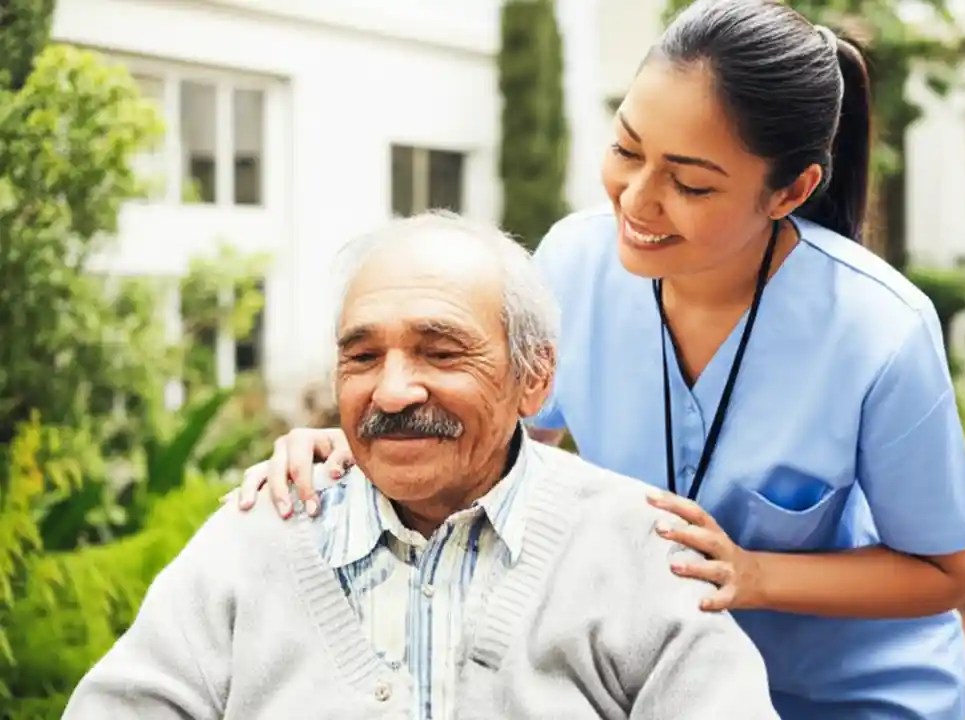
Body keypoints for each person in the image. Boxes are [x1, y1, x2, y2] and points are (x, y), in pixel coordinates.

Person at [237, 0, 965, 717]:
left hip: (844, 700)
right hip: (653, 686)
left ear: (789, 190)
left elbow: (943, 573)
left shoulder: (880, 328)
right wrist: (362, 447)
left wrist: (756, 574)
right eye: (626, 148)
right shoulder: (575, 260)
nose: (635, 200)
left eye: (690, 182)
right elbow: (499, 450)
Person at [63, 212, 781, 720]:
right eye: (363, 356)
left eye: (441, 352)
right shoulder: (258, 537)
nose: (394, 390)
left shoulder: (639, 548)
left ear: (534, 379)